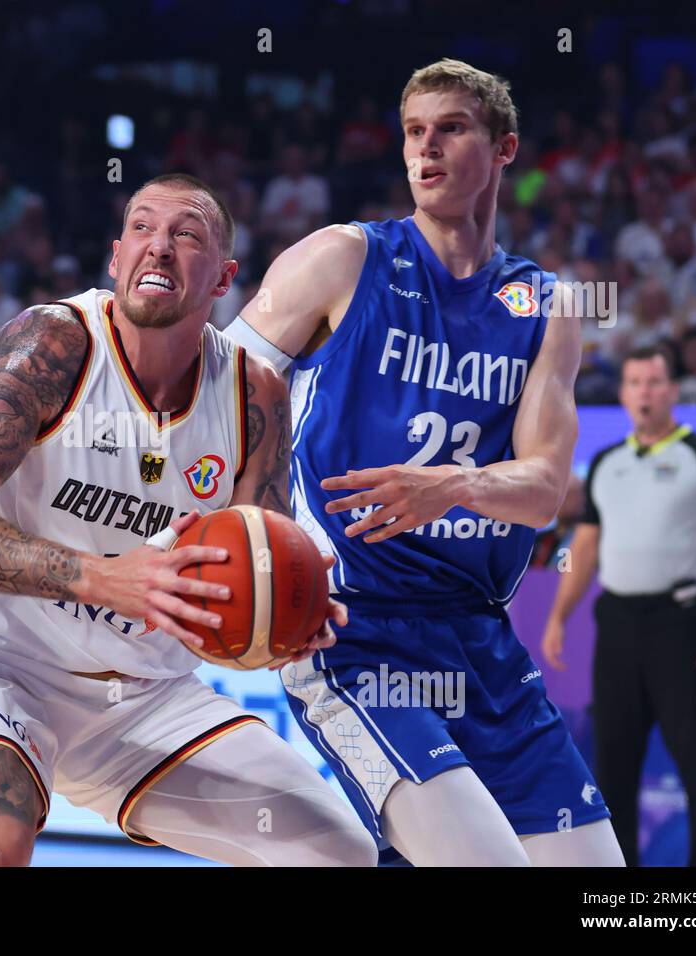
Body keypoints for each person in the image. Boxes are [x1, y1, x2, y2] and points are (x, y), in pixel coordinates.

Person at [0, 174, 377, 868]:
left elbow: (260, 567)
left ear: (223, 278)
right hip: (0, 669)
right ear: (117, 258)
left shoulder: (251, 396)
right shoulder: (51, 347)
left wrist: (293, 619)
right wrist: (99, 578)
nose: (160, 247)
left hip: (150, 700)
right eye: (142, 229)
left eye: (187, 235)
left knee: (340, 854)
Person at [225, 59, 625, 866]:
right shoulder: (342, 258)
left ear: (504, 147)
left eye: (451, 128)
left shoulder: (547, 307)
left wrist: (452, 486)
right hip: (348, 630)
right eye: (414, 132)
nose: (426, 148)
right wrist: (243, 526)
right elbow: (222, 394)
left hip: (480, 638)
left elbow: (546, 492)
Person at [541, 348, 696, 866]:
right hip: (617, 626)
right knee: (613, 771)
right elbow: (585, 548)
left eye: (654, 382)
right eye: (634, 382)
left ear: (672, 391)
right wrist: (559, 615)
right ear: (623, 393)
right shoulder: (608, 463)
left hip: (682, 625)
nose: (644, 392)